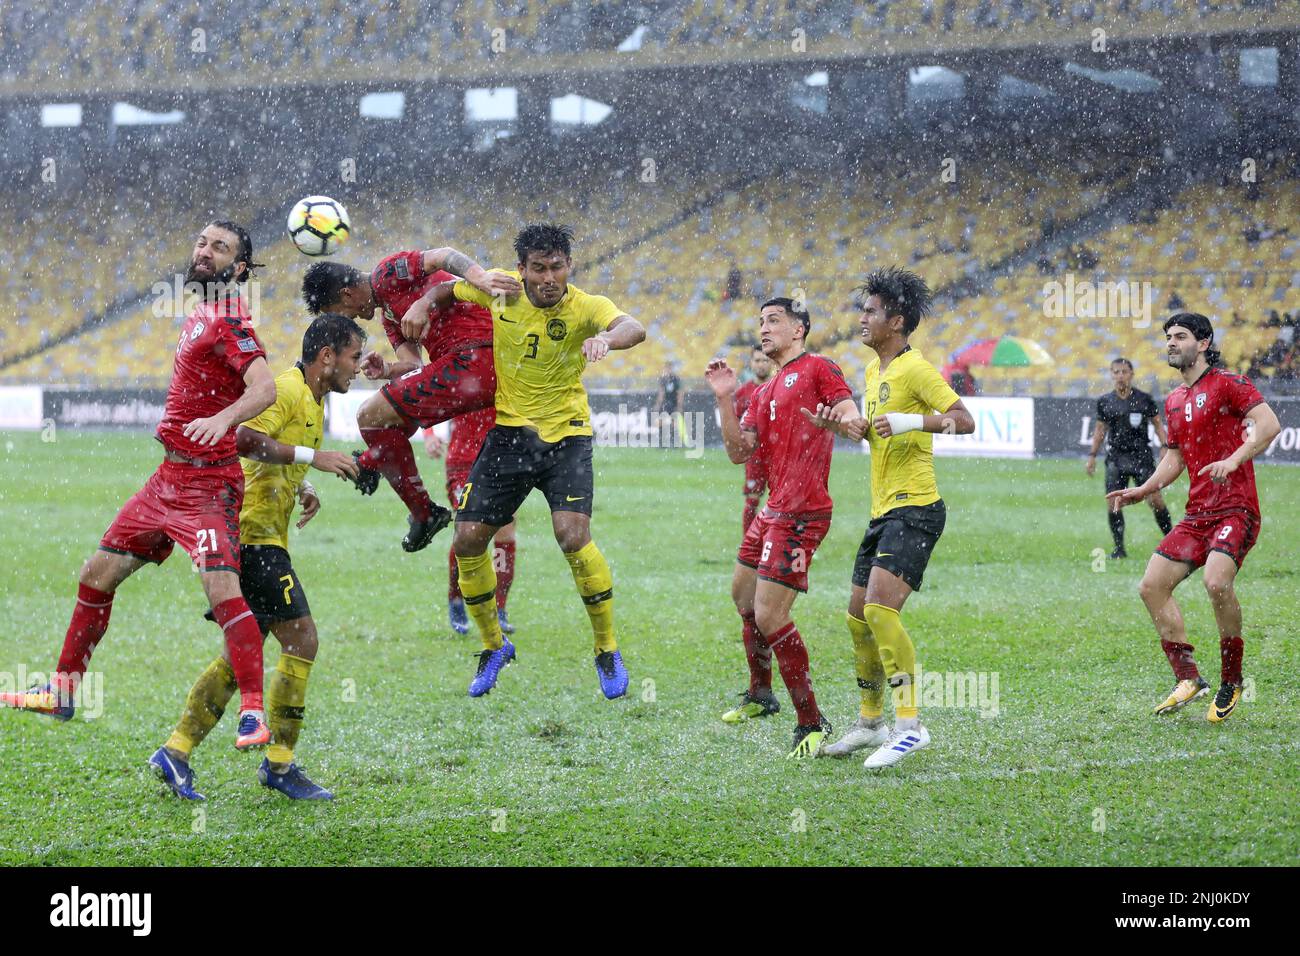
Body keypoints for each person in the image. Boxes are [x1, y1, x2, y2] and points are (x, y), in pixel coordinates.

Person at [1, 222, 277, 749]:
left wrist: (224, 420)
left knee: (223, 591)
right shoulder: (199, 309)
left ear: (239, 269)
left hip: (208, 484)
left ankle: (252, 714)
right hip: (166, 480)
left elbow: (263, 387)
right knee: (96, 574)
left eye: (219, 248)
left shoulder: (232, 320)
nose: (203, 251)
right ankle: (62, 688)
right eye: (201, 241)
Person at [150, 314, 366, 801]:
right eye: (353, 357)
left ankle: (177, 749)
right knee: (302, 640)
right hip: (251, 539)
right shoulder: (288, 389)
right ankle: (280, 765)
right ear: (327, 356)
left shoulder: (311, 399)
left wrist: (303, 485)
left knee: (240, 653)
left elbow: (264, 455)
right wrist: (314, 461)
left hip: (259, 535)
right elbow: (243, 438)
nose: (357, 368)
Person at [424, 224, 645, 699]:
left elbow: (633, 326)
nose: (549, 278)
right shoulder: (500, 291)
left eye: (558, 267)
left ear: (569, 266)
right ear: (520, 269)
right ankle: (492, 645)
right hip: (508, 437)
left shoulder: (586, 305)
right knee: (467, 539)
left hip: (567, 437)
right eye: (539, 268)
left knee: (572, 535)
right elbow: (447, 289)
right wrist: (424, 304)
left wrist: (609, 341)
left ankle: (606, 648)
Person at [809, 268, 975, 768]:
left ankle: (910, 726)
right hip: (883, 510)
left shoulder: (915, 369)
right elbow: (875, 435)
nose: (861, 318)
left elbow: (964, 421)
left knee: (882, 610)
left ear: (896, 321)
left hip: (917, 507)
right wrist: (844, 426)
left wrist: (909, 421)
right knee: (858, 618)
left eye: (871, 311)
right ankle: (869, 723)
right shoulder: (874, 372)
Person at [1109, 312, 1281, 723]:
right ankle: (1188, 678)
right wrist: (1143, 490)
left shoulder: (1229, 383)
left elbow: (1269, 424)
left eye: (1180, 336)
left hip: (1236, 508)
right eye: (1168, 337)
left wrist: (1234, 457)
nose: (1171, 342)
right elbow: (1175, 457)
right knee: (1151, 586)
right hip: (1197, 515)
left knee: (1216, 580)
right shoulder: (1174, 400)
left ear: (1203, 343)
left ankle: (1232, 679)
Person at [706, 297, 855, 759]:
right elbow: (737, 452)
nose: (764, 329)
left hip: (803, 512)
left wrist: (845, 421)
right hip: (772, 511)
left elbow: (850, 416)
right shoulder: (766, 390)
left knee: (771, 614)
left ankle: (812, 721)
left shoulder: (817, 369)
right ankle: (761, 694)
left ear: (799, 329)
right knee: (742, 597)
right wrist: (726, 398)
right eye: (761, 322)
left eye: (775, 321)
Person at [300, 250, 521, 552]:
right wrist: (388, 370)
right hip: (468, 367)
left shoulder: (386, 272)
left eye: (339, 312)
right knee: (385, 423)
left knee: (371, 416)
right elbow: (414, 363)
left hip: (479, 355)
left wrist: (479, 278)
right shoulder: (388, 316)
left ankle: (418, 508)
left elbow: (443, 255)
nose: (347, 320)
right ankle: (382, 477)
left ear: (347, 293)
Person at [442, 407, 518, 637]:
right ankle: (456, 597)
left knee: (505, 533)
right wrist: (428, 436)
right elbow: (428, 387)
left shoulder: (510, 370)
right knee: (468, 535)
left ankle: (499, 608)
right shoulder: (459, 372)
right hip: (463, 461)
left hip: (500, 458)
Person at [1086, 358, 1173, 558]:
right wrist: (1092, 456)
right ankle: (1119, 549)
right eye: (1116, 372)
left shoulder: (1144, 399)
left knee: (1156, 501)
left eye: (1124, 371)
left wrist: (1165, 446)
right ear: (1111, 374)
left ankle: (1172, 542)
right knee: (1113, 502)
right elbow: (1100, 430)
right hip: (1116, 458)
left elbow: (1158, 424)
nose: (1120, 376)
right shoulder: (1105, 401)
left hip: (1142, 457)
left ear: (1131, 374)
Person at [732, 345, 774, 534]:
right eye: (757, 360)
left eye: (765, 360)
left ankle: (780, 542)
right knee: (752, 500)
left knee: (783, 503)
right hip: (754, 456)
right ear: (751, 363)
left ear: (771, 362)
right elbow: (736, 425)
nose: (761, 365)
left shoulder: (778, 387)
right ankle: (749, 546)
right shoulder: (742, 393)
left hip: (778, 454)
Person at [654, 361, 684, 446]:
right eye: (666, 368)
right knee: (661, 422)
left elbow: (680, 393)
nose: (667, 370)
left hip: (673, 403)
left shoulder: (676, 379)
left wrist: (679, 405)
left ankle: (674, 443)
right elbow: (661, 393)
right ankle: (662, 443)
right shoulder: (663, 379)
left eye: (669, 368)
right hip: (665, 403)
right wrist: (658, 404)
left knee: (674, 423)